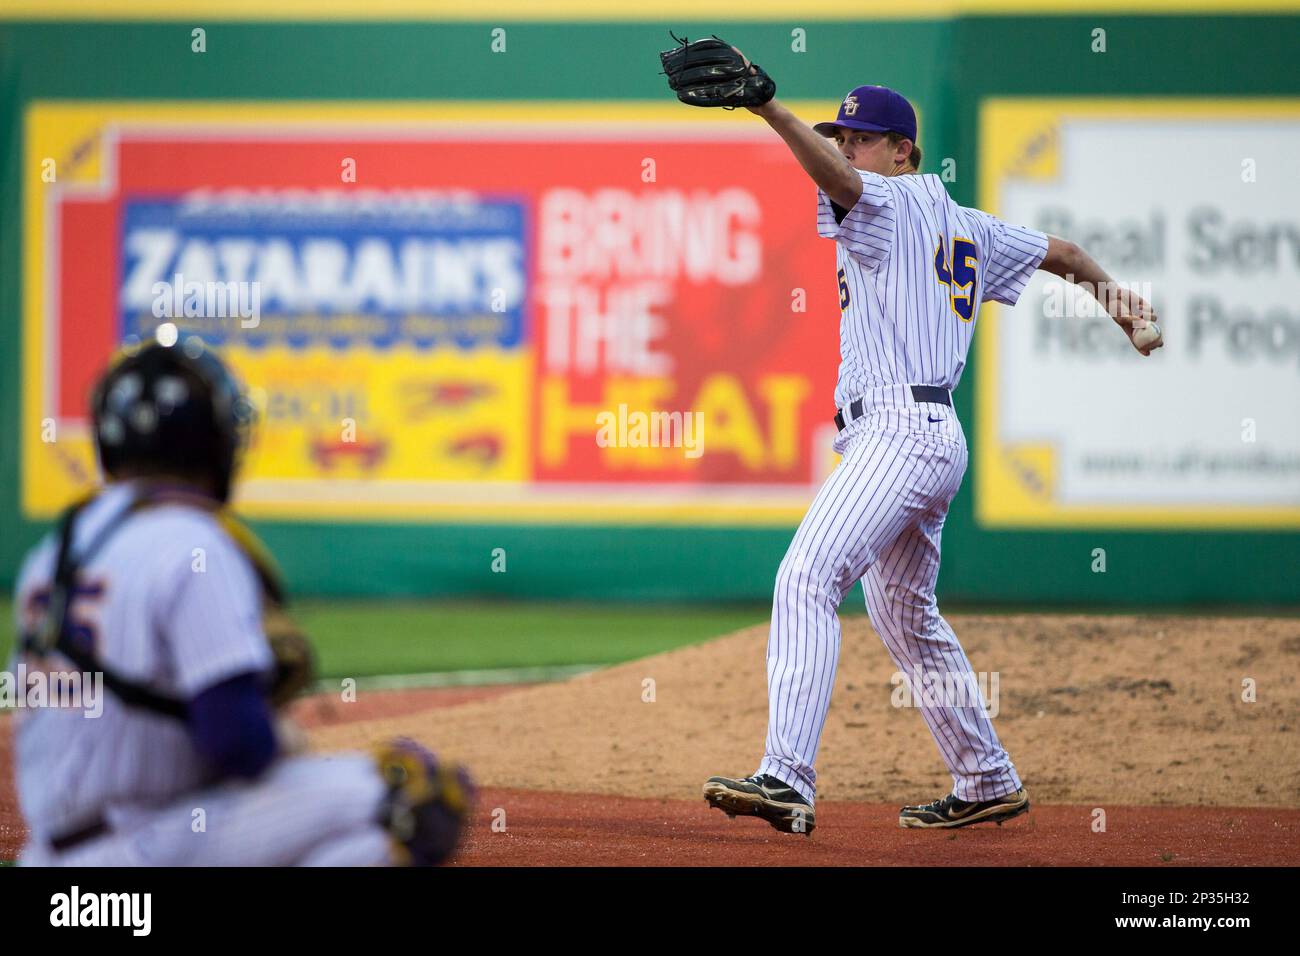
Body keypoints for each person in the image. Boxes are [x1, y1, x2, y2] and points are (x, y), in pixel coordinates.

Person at [698, 74, 1161, 833]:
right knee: (905, 614)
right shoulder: (970, 225)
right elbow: (1067, 252)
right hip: (932, 438)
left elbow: (842, 180)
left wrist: (766, 109)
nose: (847, 147)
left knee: (807, 576)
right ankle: (985, 777)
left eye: (863, 137)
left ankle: (785, 776)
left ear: (904, 151)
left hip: (897, 434)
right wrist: (1125, 305)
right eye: (840, 133)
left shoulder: (891, 198)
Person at [11, 336, 473, 865]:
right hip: (140, 850)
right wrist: (271, 729)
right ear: (213, 442)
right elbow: (238, 747)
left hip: (56, 865)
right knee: (412, 795)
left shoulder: (56, 550)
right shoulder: (194, 540)